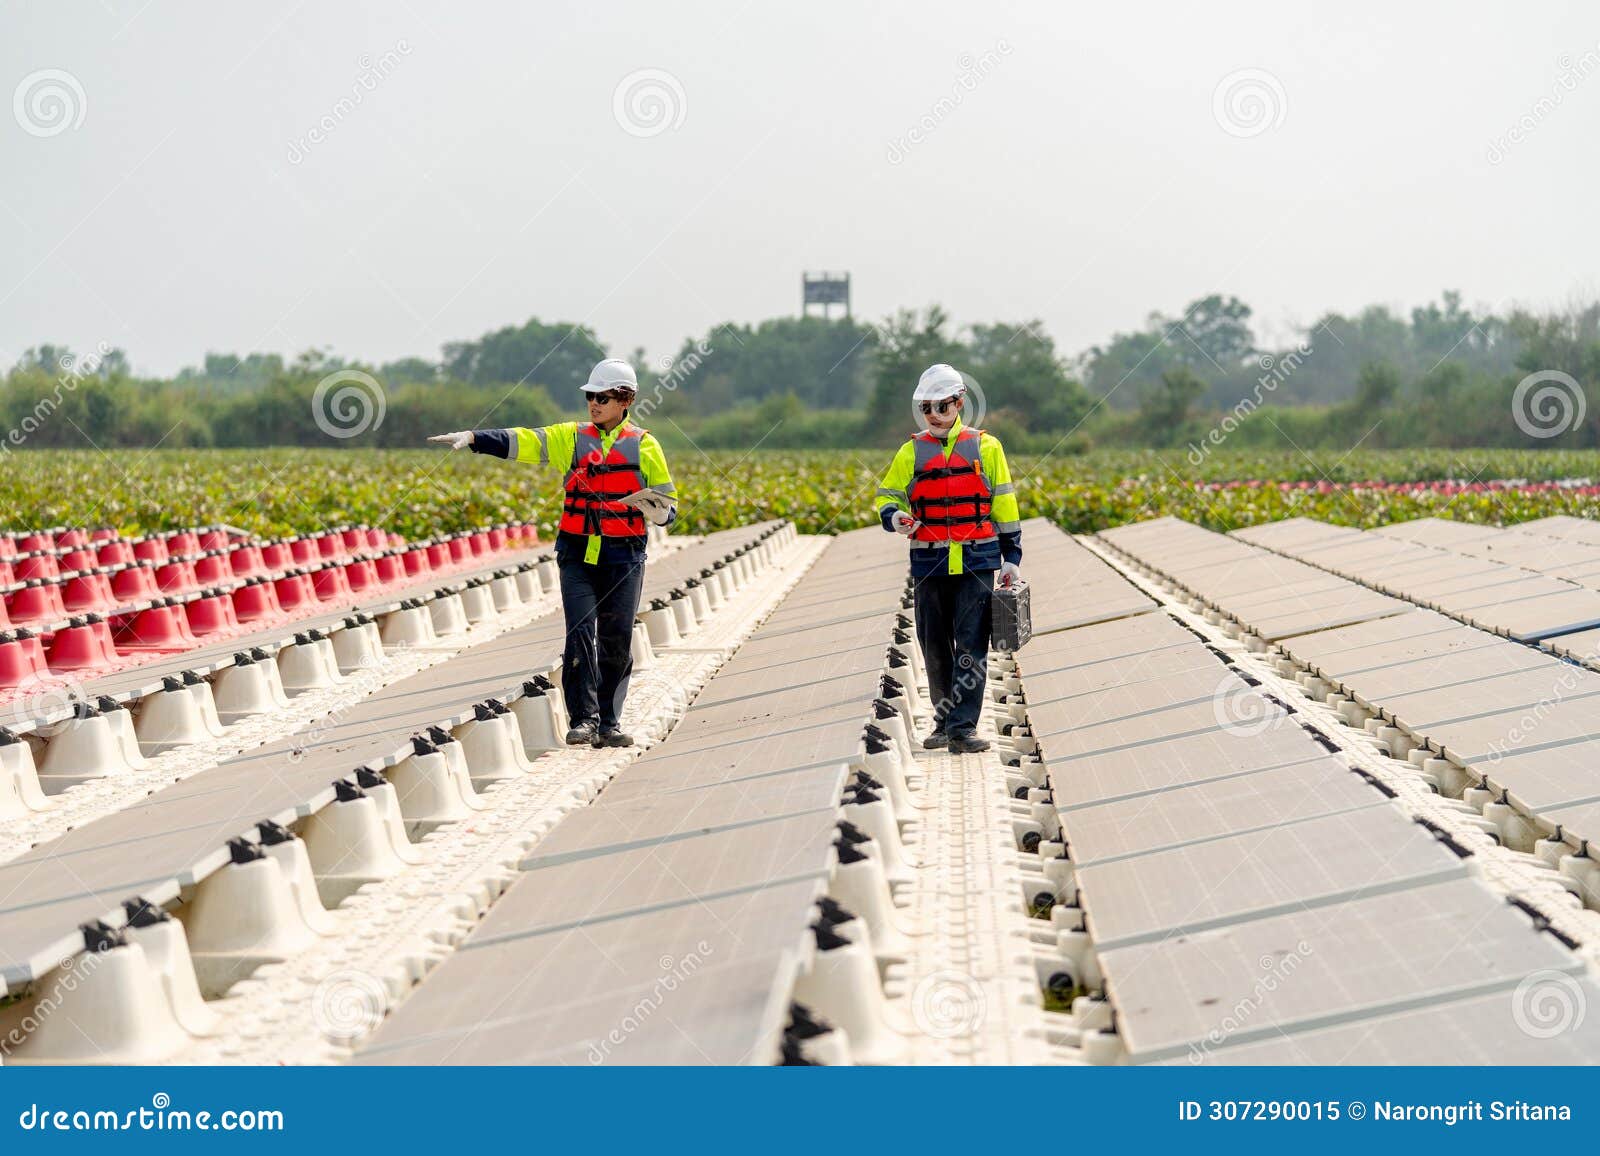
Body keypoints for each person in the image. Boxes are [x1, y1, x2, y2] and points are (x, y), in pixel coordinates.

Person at [428, 358, 676, 748]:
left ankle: (609, 723)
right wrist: (477, 439)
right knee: (579, 632)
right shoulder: (570, 437)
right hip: (576, 553)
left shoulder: (646, 445)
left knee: (616, 639)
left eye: (602, 397)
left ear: (625, 399)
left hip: (623, 557)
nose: (593, 403)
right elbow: (525, 440)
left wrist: (660, 512)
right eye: (590, 396)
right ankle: (584, 720)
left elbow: (668, 503)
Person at [874, 364, 1022, 755]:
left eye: (941, 406)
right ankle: (942, 722)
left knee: (972, 644)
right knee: (934, 643)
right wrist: (895, 516)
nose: (933, 415)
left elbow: (1005, 504)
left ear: (959, 403)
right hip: (930, 563)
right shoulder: (911, 452)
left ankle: (962, 728)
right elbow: (886, 495)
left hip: (978, 560)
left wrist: (1012, 557)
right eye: (926, 408)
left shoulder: (987, 448)